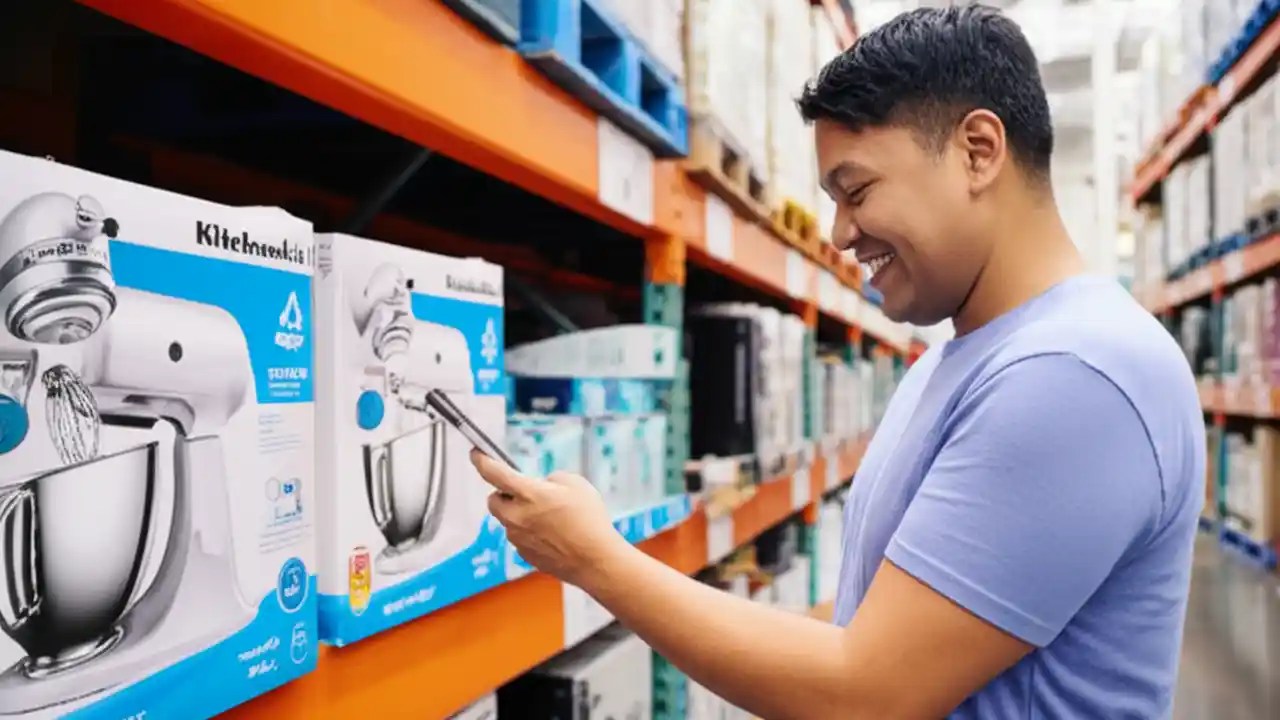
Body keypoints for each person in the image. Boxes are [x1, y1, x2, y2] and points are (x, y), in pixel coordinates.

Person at [472, 6, 1204, 718]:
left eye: (856, 191)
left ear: (978, 151)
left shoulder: (1076, 374)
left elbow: (866, 696)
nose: (839, 233)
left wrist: (593, 557)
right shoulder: (958, 362)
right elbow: (871, 636)